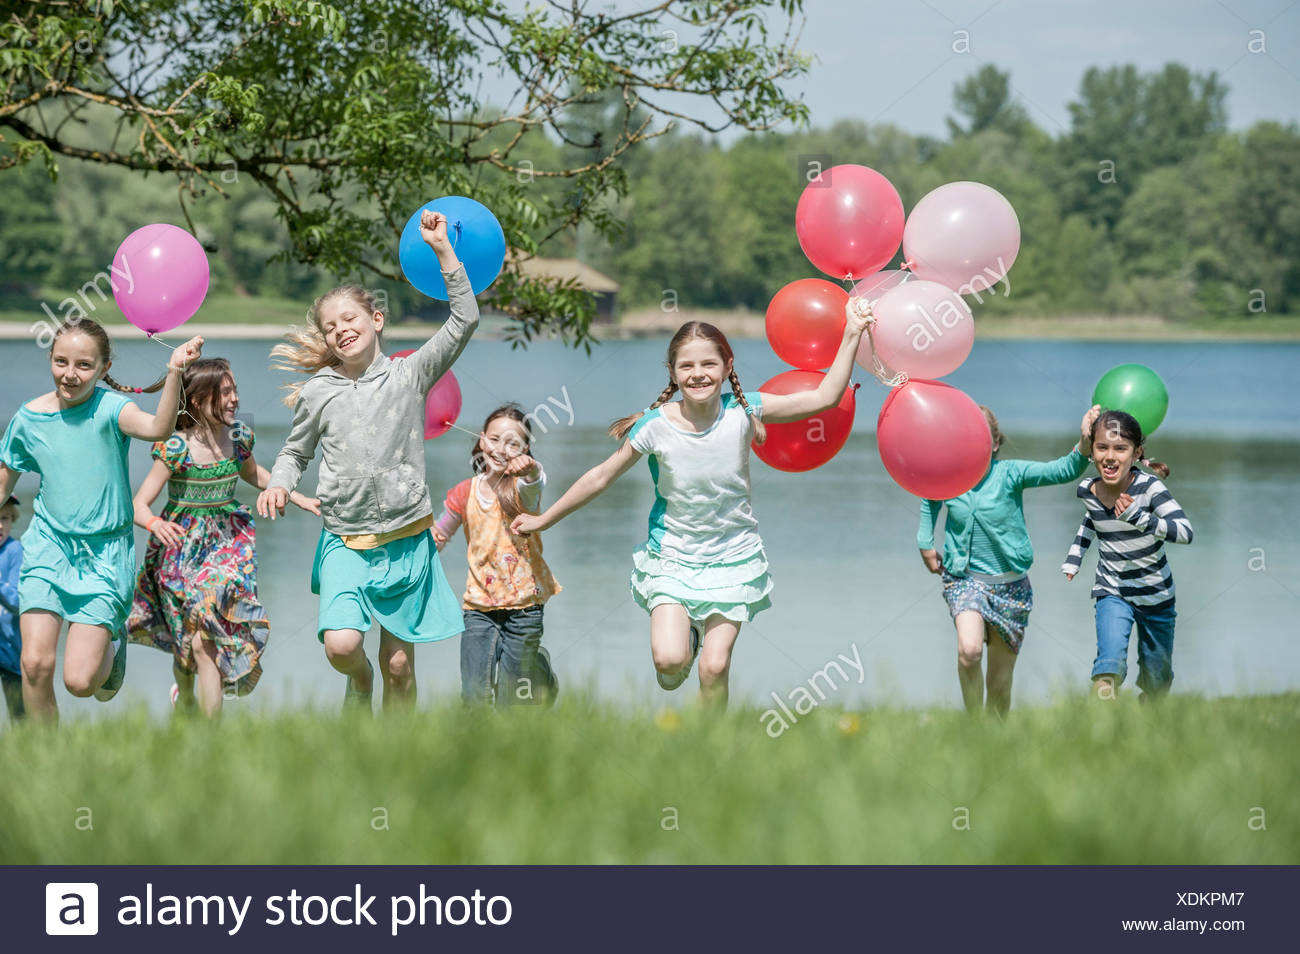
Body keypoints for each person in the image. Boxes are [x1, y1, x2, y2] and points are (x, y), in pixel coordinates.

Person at [512, 307, 874, 708]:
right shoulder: (653, 425)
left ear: (727, 365)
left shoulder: (744, 409)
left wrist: (853, 331)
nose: (697, 373)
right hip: (672, 559)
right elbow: (600, 477)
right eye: (686, 365)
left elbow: (825, 397)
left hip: (734, 556)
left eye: (708, 363)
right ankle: (690, 637)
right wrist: (545, 518)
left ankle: (714, 753)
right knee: (670, 666)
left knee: (714, 668)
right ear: (672, 372)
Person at [259, 210, 479, 712]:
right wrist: (279, 483)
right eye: (331, 328)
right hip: (346, 541)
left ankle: (395, 760)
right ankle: (359, 683)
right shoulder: (318, 392)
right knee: (341, 645)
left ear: (376, 320)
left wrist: (444, 251)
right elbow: (296, 451)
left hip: (407, 538)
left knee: (399, 667)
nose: (341, 331)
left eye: (350, 320)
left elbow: (465, 320)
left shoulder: (411, 374)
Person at [0, 318, 203, 722]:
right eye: (61, 362)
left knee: (80, 681)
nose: (70, 375)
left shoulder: (113, 409)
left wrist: (175, 371)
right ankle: (48, 760)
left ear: (104, 368)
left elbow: (158, 428)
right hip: (49, 547)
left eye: (83, 365)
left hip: (104, 555)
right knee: (35, 664)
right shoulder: (29, 418)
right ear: (51, 359)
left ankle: (114, 645)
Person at [129, 358, 318, 717]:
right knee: (187, 649)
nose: (234, 400)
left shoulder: (239, 436)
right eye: (225, 392)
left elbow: (255, 475)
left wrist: (293, 493)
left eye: (235, 391)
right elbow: (139, 504)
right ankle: (185, 697)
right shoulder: (175, 447)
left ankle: (209, 738)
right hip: (181, 550)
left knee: (206, 644)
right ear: (198, 401)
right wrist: (154, 523)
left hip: (228, 547)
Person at [919, 405, 1100, 715]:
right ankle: (974, 725)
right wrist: (925, 544)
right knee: (969, 650)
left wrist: (1085, 441)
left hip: (1011, 589)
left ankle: (994, 740)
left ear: (995, 443)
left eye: (980, 438)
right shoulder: (947, 477)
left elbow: (1063, 470)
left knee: (1000, 685)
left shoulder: (1010, 473)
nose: (972, 445)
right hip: (964, 581)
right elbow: (928, 501)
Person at [434, 404, 561, 707]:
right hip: (478, 607)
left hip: (525, 608)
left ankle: (539, 674)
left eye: (512, 443)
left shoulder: (523, 488)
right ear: (481, 440)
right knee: (473, 697)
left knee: (511, 702)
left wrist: (530, 468)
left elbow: (536, 479)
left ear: (525, 449)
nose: (500, 448)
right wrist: (421, 543)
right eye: (494, 439)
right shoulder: (463, 493)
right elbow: (439, 536)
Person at [1062, 409, 1192, 701]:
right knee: (1108, 664)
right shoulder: (1088, 490)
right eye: (1102, 447)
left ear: (1136, 454)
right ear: (1092, 451)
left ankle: (1149, 714)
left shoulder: (1150, 488)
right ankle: (1103, 720)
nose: (1110, 456)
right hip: (1113, 590)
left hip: (1156, 595)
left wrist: (1140, 518)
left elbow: (1185, 531)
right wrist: (1074, 557)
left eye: (1120, 448)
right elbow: (1091, 523)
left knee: (1157, 681)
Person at [0, 494, 23, 721]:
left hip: (11, 650)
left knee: (19, 713)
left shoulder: (14, 550)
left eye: (5, 518)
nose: (0, 525)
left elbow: (18, 602)